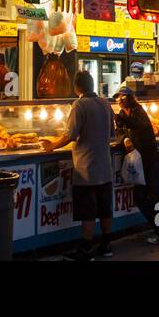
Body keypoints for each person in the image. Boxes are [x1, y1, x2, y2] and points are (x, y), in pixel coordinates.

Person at [40, 70, 115, 259]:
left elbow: (70, 135)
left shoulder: (79, 104)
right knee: (105, 208)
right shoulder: (105, 103)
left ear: (76, 87)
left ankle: (87, 249)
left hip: (86, 168)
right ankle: (107, 245)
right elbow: (112, 134)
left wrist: (52, 146)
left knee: (88, 211)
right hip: (105, 168)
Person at [114, 86, 159, 245]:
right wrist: (124, 138)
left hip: (151, 159)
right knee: (140, 197)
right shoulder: (123, 114)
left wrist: (122, 120)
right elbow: (118, 132)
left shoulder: (138, 111)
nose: (120, 100)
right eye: (118, 97)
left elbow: (142, 125)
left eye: (123, 97)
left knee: (155, 195)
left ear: (130, 98)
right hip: (138, 162)